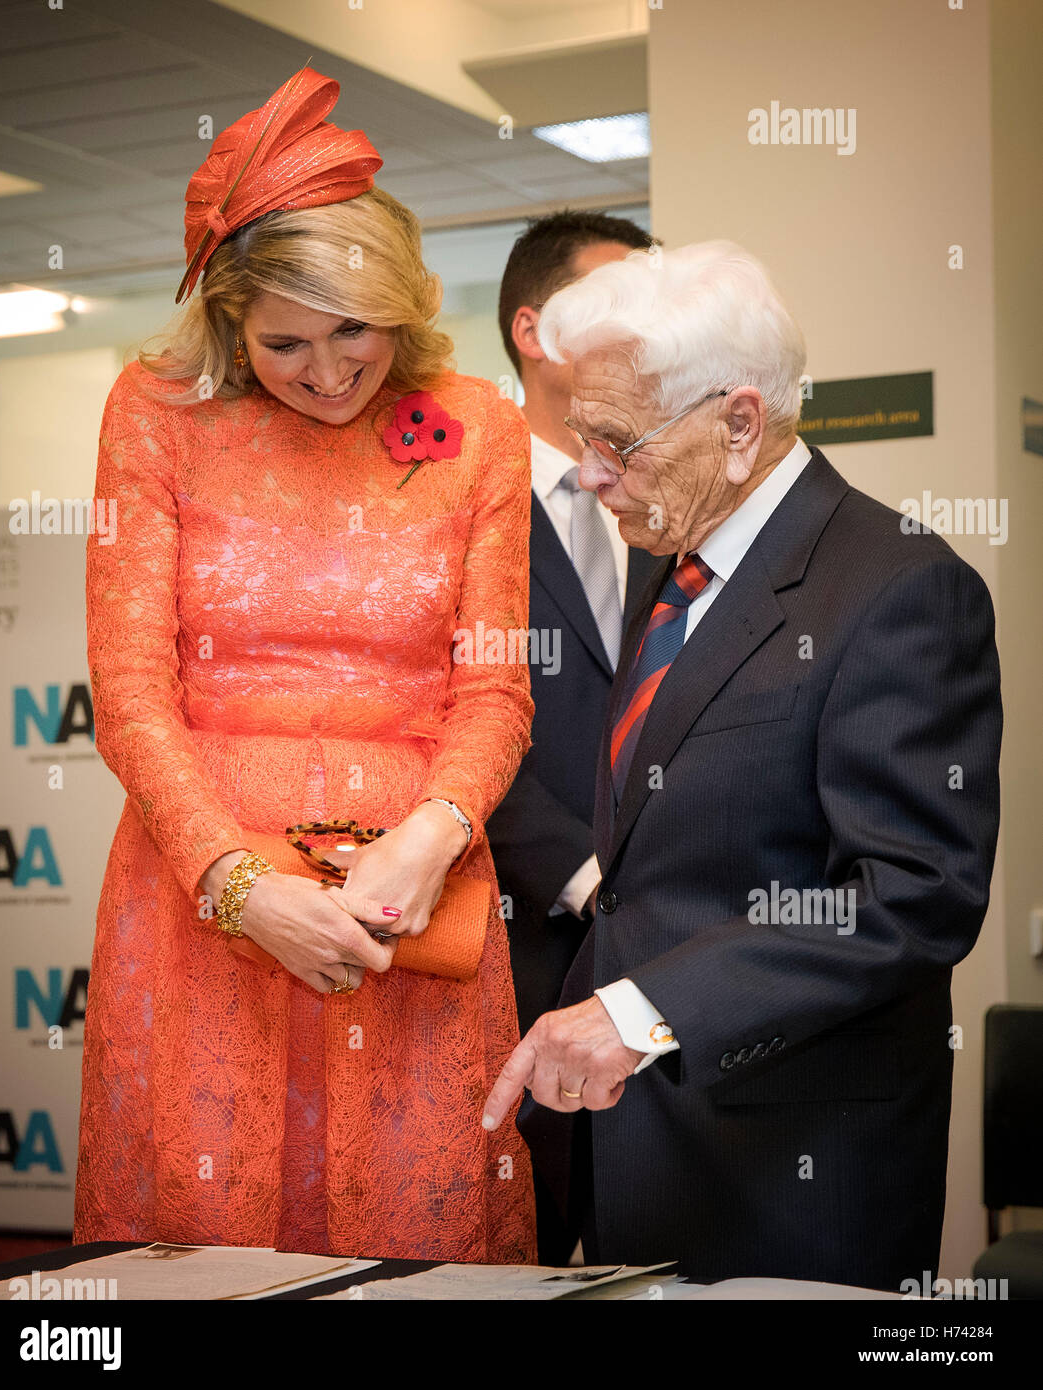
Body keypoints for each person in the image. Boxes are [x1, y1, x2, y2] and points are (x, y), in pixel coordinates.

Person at [73, 67, 536, 1263]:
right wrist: (237, 888)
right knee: (210, 1228)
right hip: (203, 891)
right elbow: (129, 692)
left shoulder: (481, 429)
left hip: (406, 898)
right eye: (284, 342)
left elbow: (491, 686)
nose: (328, 371)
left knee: (410, 1225)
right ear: (227, 321)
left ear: (404, 308)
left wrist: (429, 839)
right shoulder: (155, 413)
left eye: (354, 333)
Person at [483, 241, 1002, 1290]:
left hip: (791, 1179)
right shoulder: (667, 570)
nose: (588, 474)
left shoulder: (894, 590)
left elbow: (910, 898)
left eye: (616, 443)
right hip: (638, 1162)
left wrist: (638, 1012)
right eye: (583, 438)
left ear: (736, 425)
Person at [486, 211, 659, 1261]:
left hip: (665, 958)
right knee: (531, 1247)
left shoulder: (667, 487)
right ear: (529, 329)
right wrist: (590, 872)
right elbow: (454, 722)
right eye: (615, 311)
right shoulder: (457, 489)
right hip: (521, 940)